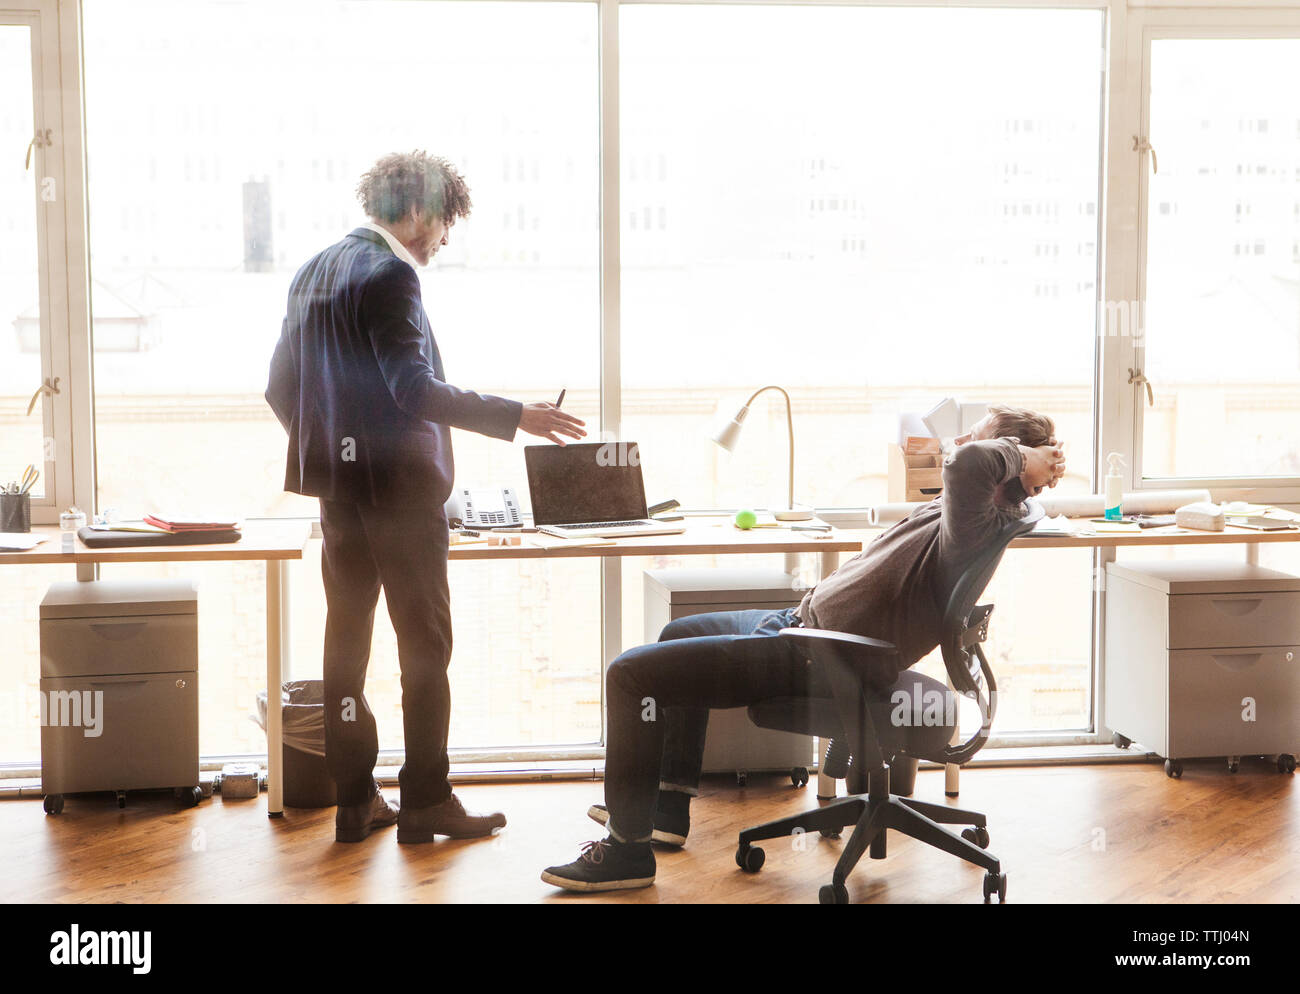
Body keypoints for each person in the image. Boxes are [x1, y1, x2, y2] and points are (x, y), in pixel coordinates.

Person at [541, 405, 1064, 891]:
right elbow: (967, 463)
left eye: (977, 429)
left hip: (816, 654)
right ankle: (665, 812)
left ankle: (627, 853)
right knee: (680, 633)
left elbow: (968, 463)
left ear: (1009, 457)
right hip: (796, 625)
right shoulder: (968, 512)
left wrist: (1023, 457)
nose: (960, 437)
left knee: (629, 674)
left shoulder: (982, 515)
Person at [266, 150, 585, 844]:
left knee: (344, 646)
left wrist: (330, 452)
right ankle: (426, 802)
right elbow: (411, 388)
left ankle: (355, 800)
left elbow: (279, 387)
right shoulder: (390, 276)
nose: (444, 241)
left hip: (339, 496)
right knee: (425, 648)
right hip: (402, 499)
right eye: (444, 225)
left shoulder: (314, 271)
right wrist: (516, 416)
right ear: (417, 213)